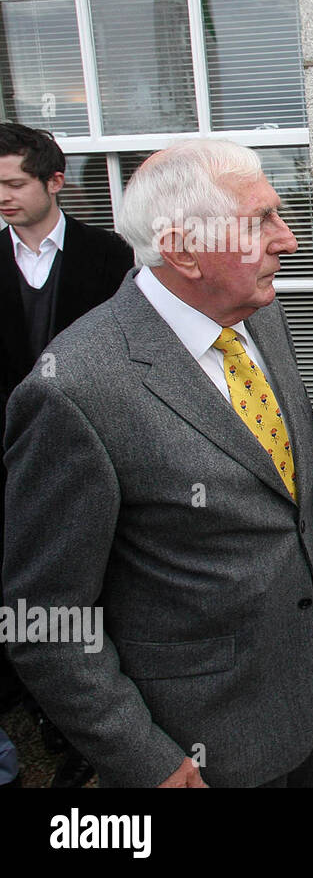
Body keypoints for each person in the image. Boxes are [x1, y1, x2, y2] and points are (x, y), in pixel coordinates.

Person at [2, 139, 313, 788]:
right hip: (194, 747)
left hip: (310, 709)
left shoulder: (261, 319)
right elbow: (43, 618)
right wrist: (144, 757)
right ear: (183, 249)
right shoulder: (74, 389)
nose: (289, 240)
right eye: (260, 222)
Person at [0, 122, 133, 788]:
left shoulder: (108, 254)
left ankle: (90, 734)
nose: (2, 196)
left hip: (95, 450)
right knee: (35, 591)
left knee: (94, 583)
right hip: (11, 460)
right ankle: (43, 715)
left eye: (13, 182)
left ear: (54, 181)